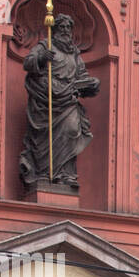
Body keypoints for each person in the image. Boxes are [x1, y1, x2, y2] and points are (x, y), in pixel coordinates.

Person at [20, 13, 100, 189]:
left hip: (68, 101)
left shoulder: (74, 54)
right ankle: (44, 173)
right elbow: (28, 62)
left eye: (68, 27)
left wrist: (91, 84)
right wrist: (41, 58)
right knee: (45, 139)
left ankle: (66, 174)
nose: (65, 30)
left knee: (72, 130)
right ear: (55, 29)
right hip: (46, 101)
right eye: (61, 27)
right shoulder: (46, 46)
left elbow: (82, 75)